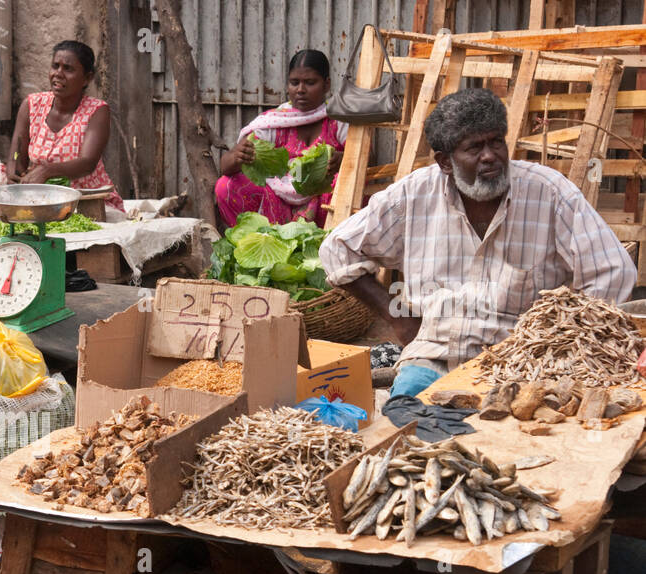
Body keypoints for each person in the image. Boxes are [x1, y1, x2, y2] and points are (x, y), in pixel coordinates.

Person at [320, 88, 635, 398]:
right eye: (475, 148)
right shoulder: (414, 195)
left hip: (521, 364)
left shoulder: (549, 193)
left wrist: (560, 339)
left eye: (496, 142)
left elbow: (612, 271)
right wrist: (398, 319)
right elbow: (338, 250)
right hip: (433, 356)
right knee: (405, 426)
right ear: (445, 162)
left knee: (510, 441)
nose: (490, 156)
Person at [0, 41, 124, 211]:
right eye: (55, 66)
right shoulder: (32, 104)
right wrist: (14, 169)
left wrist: (48, 170)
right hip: (37, 190)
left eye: (68, 69)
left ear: (87, 78)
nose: (58, 74)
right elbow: (17, 150)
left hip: (79, 193)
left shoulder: (97, 110)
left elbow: (87, 163)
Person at [215, 50, 346, 228]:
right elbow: (225, 167)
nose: (300, 90)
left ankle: (328, 244)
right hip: (278, 203)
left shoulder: (338, 119)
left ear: (326, 85)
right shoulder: (275, 121)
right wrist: (238, 156)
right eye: (294, 83)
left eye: (310, 83)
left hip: (324, 204)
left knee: (343, 183)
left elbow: (368, 158)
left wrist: (344, 159)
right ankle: (264, 240)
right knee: (226, 187)